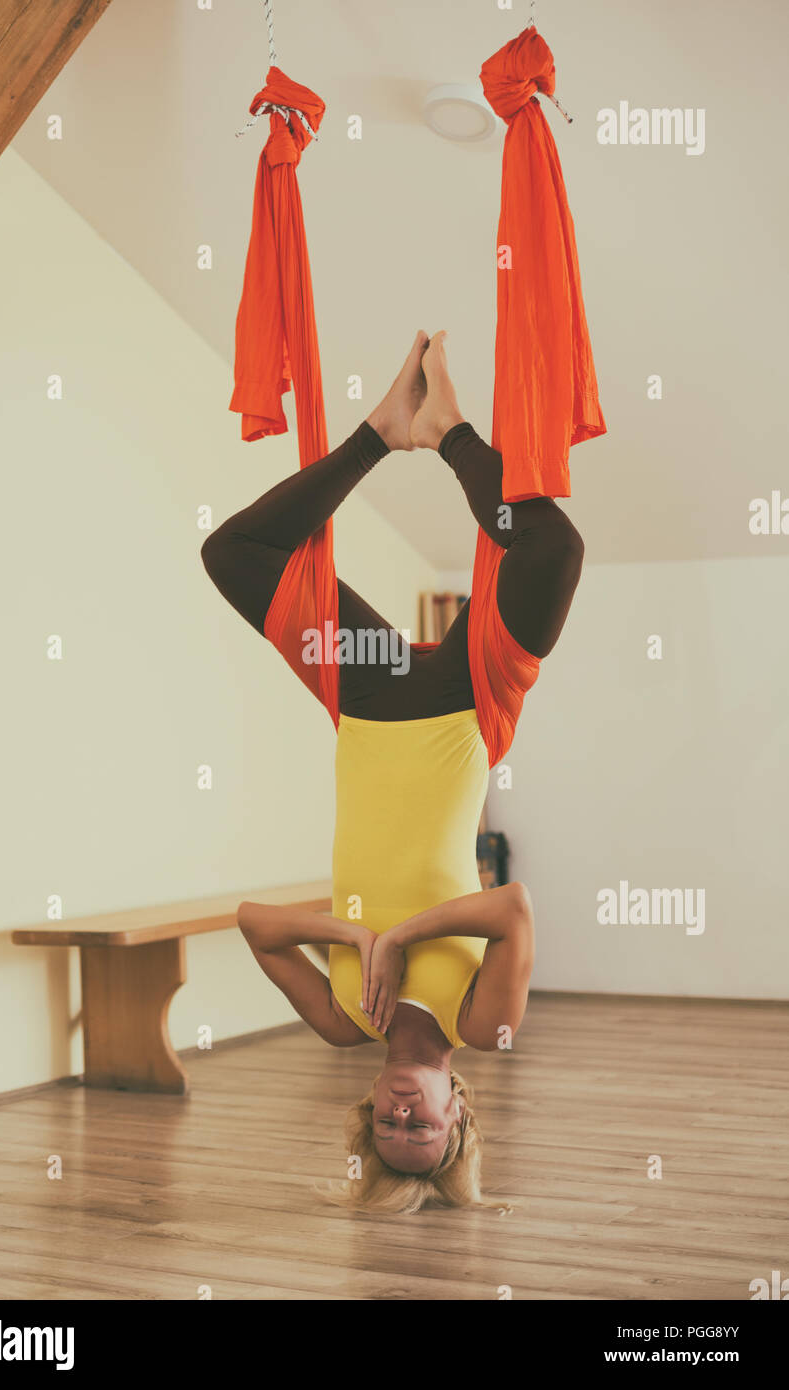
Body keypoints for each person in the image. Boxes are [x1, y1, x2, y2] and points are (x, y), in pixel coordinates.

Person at [201, 331, 584, 1213]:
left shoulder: (345, 1021)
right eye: (423, 1129)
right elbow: (511, 908)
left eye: (387, 1128)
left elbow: (255, 924)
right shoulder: (483, 1026)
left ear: (367, 1108)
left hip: (367, 700)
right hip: (463, 703)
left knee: (234, 556)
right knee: (553, 554)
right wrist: (401, 938)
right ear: (460, 1113)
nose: (404, 1117)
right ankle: (451, 432)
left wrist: (352, 940)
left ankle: (378, 432)